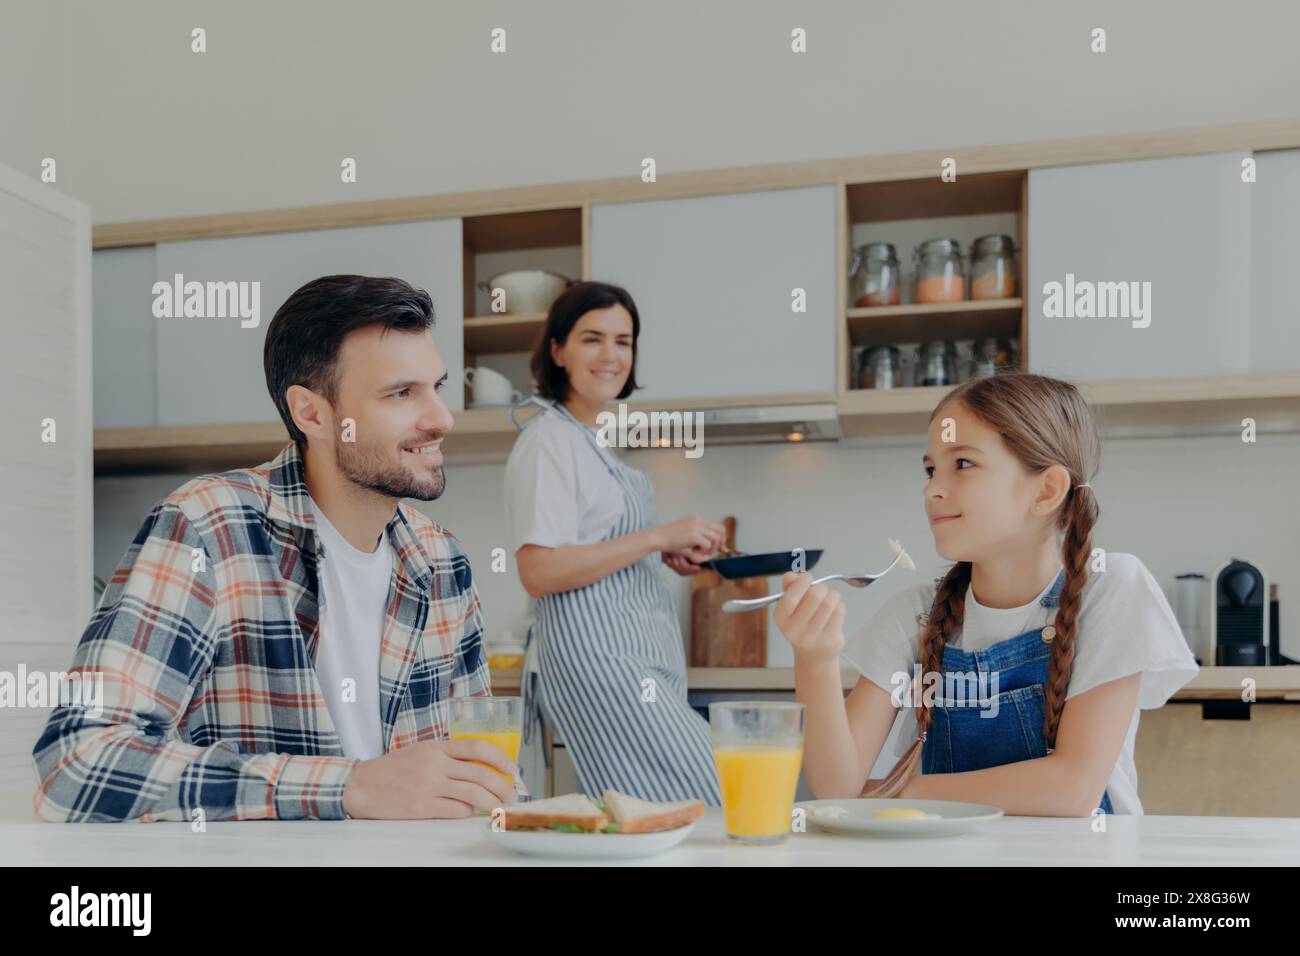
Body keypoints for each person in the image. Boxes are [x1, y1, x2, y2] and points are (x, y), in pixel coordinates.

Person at [32, 275, 518, 822]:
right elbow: (76, 763)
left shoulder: (442, 561)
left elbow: (477, 775)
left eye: (438, 387)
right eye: (402, 393)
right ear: (312, 414)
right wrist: (347, 787)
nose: (441, 419)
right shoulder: (208, 527)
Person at [774, 371, 1198, 815]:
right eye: (930, 468)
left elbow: (1070, 789)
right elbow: (836, 785)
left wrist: (894, 791)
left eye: (962, 464)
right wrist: (814, 658)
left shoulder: (1112, 587)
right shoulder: (914, 614)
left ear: (1046, 489)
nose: (932, 489)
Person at [504, 281, 724, 804]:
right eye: (592, 339)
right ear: (557, 350)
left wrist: (661, 551)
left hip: (639, 660)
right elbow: (539, 570)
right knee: (721, 798)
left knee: (658, 819)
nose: (611, 355)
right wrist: (655, 535)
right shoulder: (548, 440)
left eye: (623, 341)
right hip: (600, 661)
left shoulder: (593, 444)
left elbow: (595, 549)